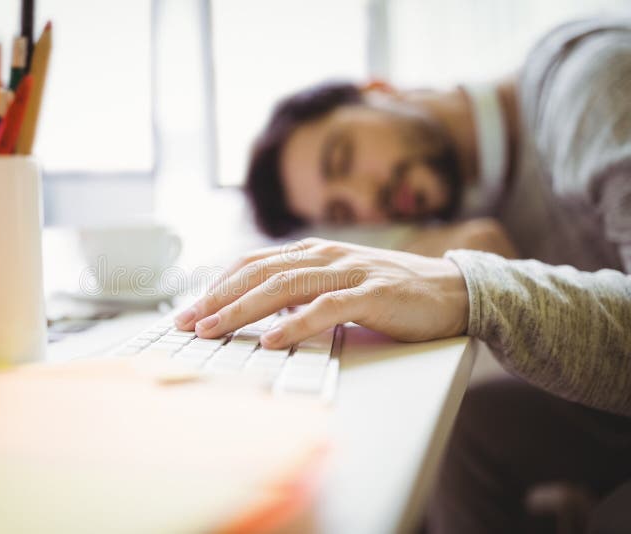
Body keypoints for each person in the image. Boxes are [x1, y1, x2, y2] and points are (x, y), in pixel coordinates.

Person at [175, 16, 631, 533]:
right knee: (456, 437)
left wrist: (472, 290)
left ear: (380, 90)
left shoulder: (591, 87)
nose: (370, 202)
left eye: (342, 158)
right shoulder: (476, 198)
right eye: (344, 213)